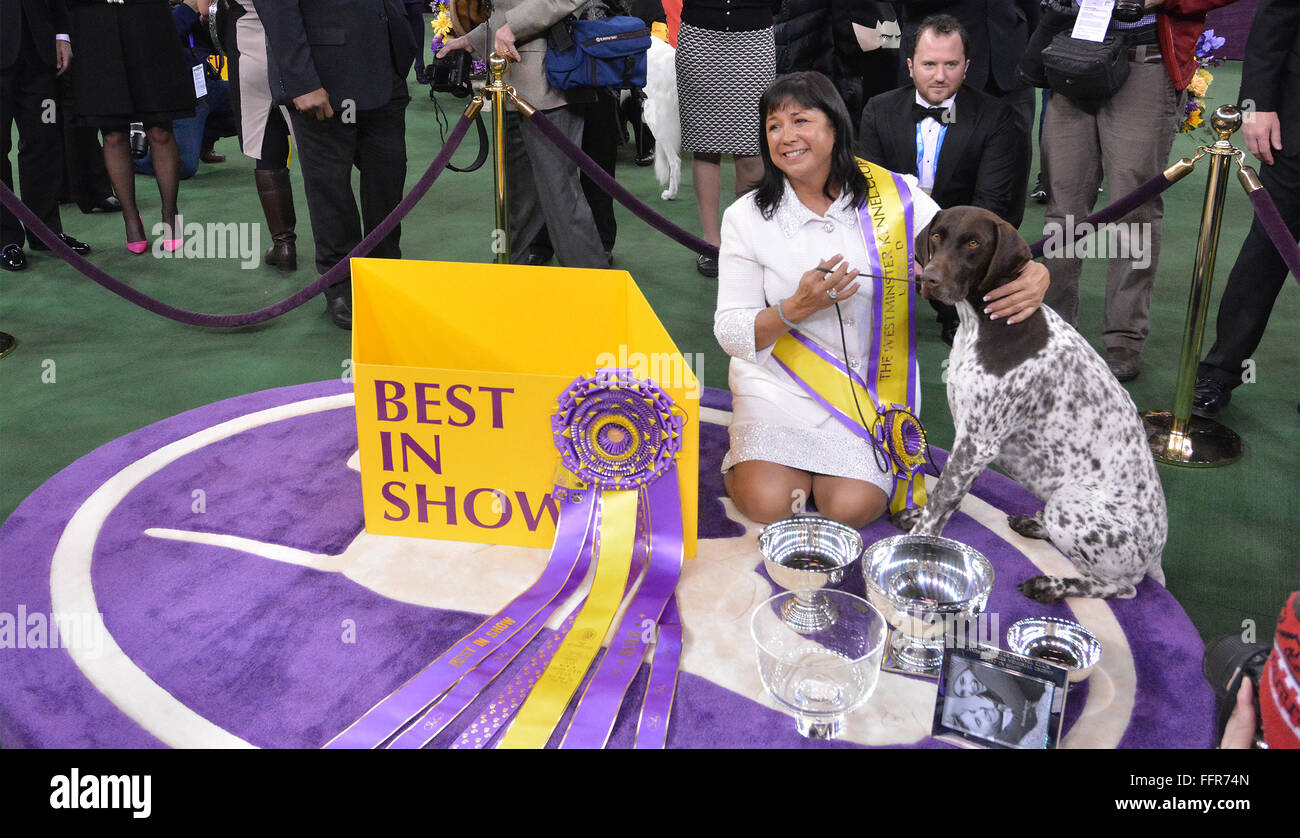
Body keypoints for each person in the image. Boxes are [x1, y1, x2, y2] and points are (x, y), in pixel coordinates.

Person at [714, 71, 1048, 529]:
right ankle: (752, 459)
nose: (786, 137)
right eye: (773, 126)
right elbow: (731, 332)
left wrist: (1034, 271)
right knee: (769, 504)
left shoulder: (895, 196)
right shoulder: (746, 216)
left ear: (835, 126)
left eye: (800, 121)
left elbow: (970, 241)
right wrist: (796, 308)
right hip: (776, 385)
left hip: (868, 389)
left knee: (851, 508)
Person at [1036, 0, 1239, 383]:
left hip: (1145, 61)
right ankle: (1052, 329)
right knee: (1063, 207)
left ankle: (1123, 339)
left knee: (1134, 210)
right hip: (1073, 53)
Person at [857, 14, 1030, 344]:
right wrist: (905, 253)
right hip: (896, 234)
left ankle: (954, 316)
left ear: (966, 67)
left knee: (973, 330)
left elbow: (990, 204)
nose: (940, 76)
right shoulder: (878, 110)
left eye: (951, 64)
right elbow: (873, 194)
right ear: (910, 67)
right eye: (929, 64)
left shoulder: (996, 116)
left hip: (961, 243)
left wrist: (943, 258)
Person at [259, 0, 416, 330]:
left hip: (387, 66)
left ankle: (385, 271)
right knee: (330, 187)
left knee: (388, 177)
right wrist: (301, 81)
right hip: (323, 76)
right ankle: (340, 283)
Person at [437, 0, 609, 270]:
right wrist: (473, 39)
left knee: (561, 198)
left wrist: (514, 26)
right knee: (515, 202)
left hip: (552, 84)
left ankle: (592, 283)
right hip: (511, 86)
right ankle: (508, 277)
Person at [1193, 0, 1298, 419]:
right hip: (1294, 124)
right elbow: (1274, 20)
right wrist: (1255, 106)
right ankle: (1221, 370)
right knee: (1268, 247)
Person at [66, 0, 196, 254]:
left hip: (147, 19)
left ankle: (170, 214)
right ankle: (131, 218)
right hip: (95, 23)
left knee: (160, 129)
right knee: (113, 133)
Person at [676, 0, 779, 277]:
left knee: (752, 149)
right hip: (699, 38)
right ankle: (710, 242)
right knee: (704, 146)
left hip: (754, 38)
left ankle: (744, 238)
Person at [1, 0, 92, 271]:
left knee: (45, 142)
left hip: (39, 53)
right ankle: (5, 239)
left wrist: (62, 33)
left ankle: (46, 232)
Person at [225, 0, 299, 272]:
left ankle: (284, 245)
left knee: (267, 142)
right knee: (319, 149)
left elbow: (205, 10)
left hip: (249, 46)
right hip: (299, 48)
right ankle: (339, 245)